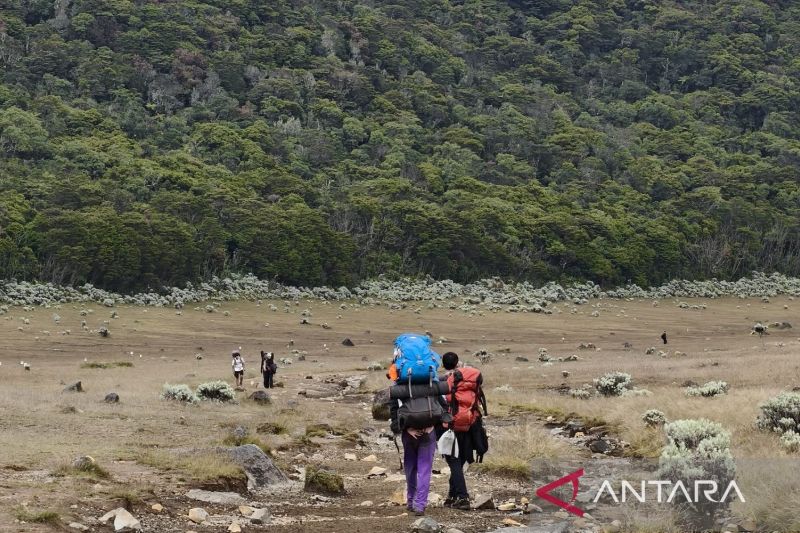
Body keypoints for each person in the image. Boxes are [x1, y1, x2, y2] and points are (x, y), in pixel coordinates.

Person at [439, 351, 487, 510]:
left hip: (451, 426)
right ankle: (452, 496)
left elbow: (442, 403)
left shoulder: (444, 381)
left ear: (443, 364)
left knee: (453, 461)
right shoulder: (469, 379)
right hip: (470, 424)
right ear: (457, 362)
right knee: (459, 461)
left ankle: (463, 497)